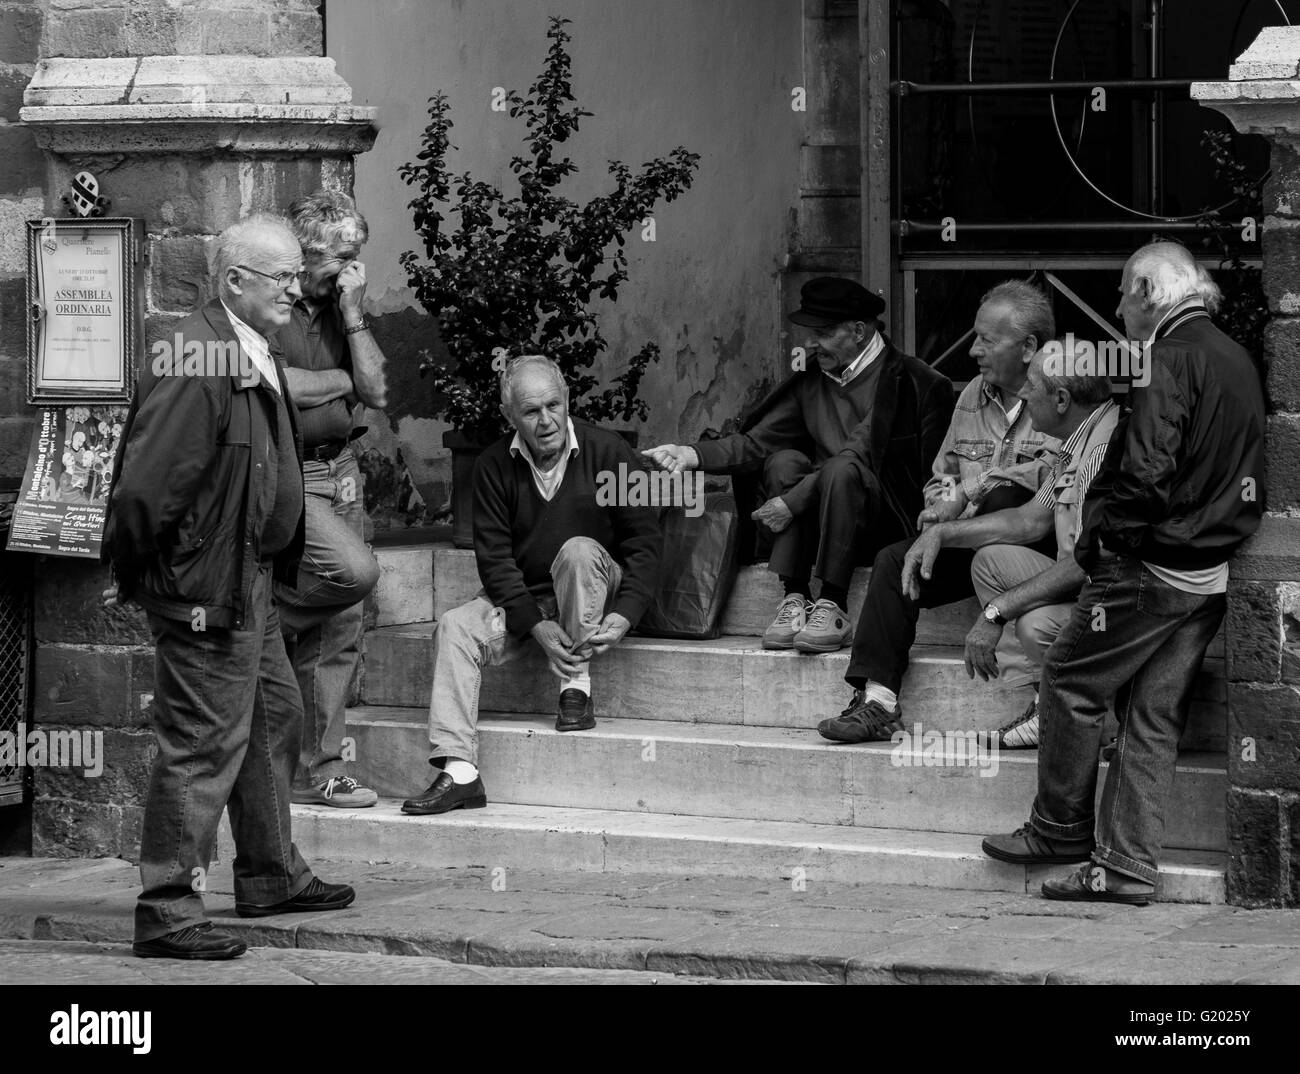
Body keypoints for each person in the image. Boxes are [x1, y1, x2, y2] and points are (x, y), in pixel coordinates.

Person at [104, 212, 355, 961]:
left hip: (250, 581)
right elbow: (150, 486)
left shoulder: (247, 346)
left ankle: (271, 872)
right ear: (235, 280)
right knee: (200, 746)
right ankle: (168, 911)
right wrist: (142, 573)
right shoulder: (197, 354)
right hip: (208, 590)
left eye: (294, 275)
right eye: (280, 277)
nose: (294, 290)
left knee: (275, 717)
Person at [982, 242, 1265, 905]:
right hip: (1209, 573)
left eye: (1119, 293)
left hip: (1157, 566)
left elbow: (1145, 472)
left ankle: (1058, 831)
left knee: (1070, 681)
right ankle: (1127, 868)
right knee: (1152, 720)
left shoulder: (1169, 357)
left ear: (1145, 292)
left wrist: (1109, 543)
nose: (1115, 306)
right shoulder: (1233, 356)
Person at [402, 355, 663, 816]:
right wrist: (533, 624)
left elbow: (644, 542)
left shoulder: (609, 453)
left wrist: (627, 612)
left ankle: (575, 687)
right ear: (510, 416)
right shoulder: (492, 466)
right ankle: (460, 771)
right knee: (453, 626)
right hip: (530, 601)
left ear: (567, 401)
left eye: (553, 406)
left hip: (593, 587)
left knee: (579, 550)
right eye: (531, 411)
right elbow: (496, 562)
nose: (546, 421)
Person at [642, 277, 953, 653]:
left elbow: (858, 453)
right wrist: (692, 455)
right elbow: (758, 442)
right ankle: (796, 597)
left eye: (822, 332)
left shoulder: (910, 379)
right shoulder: (812, 376)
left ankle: (834, 603)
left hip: (879, 520)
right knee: (783, 461)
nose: (810, 342)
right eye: (810, 332)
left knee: (841, 470)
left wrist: (791, 502)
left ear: (858, 331)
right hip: (822, 516)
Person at [818, 280, 1058, 743]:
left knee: (1005, 495)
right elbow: (943, 472)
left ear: (1029, 347)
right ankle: (877, 700)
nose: (974, 351)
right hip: (971, 539)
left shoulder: (1059, 395)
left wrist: (966, 497)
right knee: (895, 560)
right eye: (975, 337)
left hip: (1033, 546)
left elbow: (1040, 489)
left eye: (987, 340)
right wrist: (938, 507)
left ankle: (1041, 701)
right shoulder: (971, 397)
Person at [897, 342, 1119, 748]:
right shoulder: (1078, 439)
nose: (1022, 394)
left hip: (1113, 599)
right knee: (991, 562)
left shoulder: (1101, 451)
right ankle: (1044, 701)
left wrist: (996, 613)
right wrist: (941, 533)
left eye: (1032, 385)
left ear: (1063, 399)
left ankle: (1092, 713)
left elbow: (1085, 564)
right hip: (1088, 585)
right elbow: (1029, 519)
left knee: (1034, 625)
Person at [273, 191, 385, 810]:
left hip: (342, 469)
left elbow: (378, 388)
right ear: (307, 250)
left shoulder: (348, 306)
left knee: (340, 623)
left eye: (357, 257)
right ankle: (254, 630)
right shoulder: (276, 298)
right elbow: (274, 384)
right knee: (351, 576)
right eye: (342, 258)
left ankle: (324, 768)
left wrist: (353, 313)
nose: (351, 268)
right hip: (291, 475)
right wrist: (340, 383)